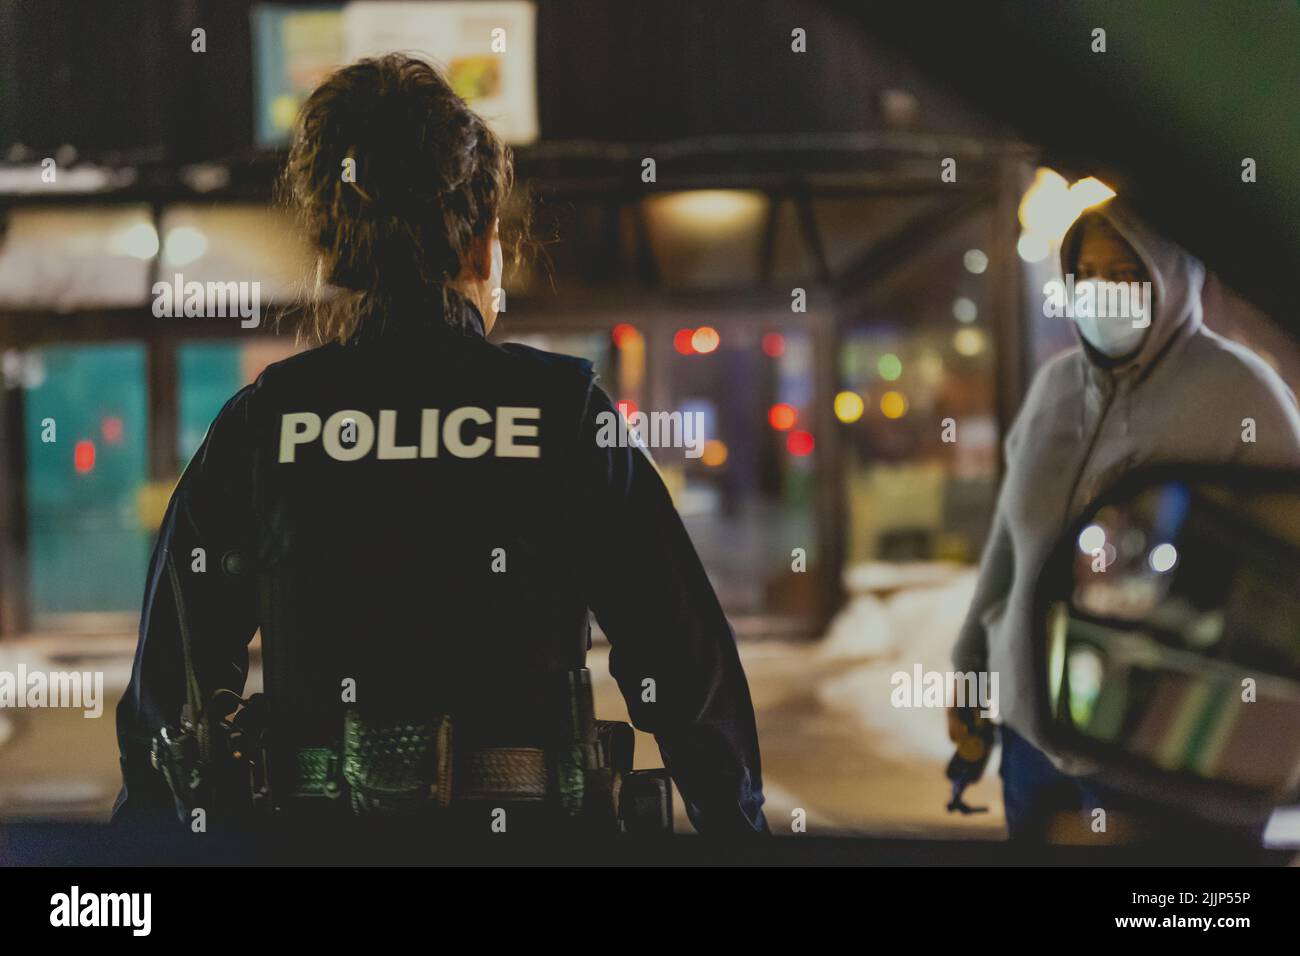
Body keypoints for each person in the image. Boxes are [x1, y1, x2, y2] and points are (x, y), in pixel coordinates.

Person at [113, 54, 767, 837]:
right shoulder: (562, 415)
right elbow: (683, 664)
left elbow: (167, 699)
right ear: (483, 238)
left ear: (330, 244)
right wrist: (737, 829)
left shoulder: (264, 425)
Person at [952, 199, 1300, 842]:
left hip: (1163, 742)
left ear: (1169, 275)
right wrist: (971, 670)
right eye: (1084, 273)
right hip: (1035, 736)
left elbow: (1282, 571)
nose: (1100, 291)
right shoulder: (1056, 390)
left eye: (1122, 271)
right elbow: (1010, 547)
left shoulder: (1243, 396)